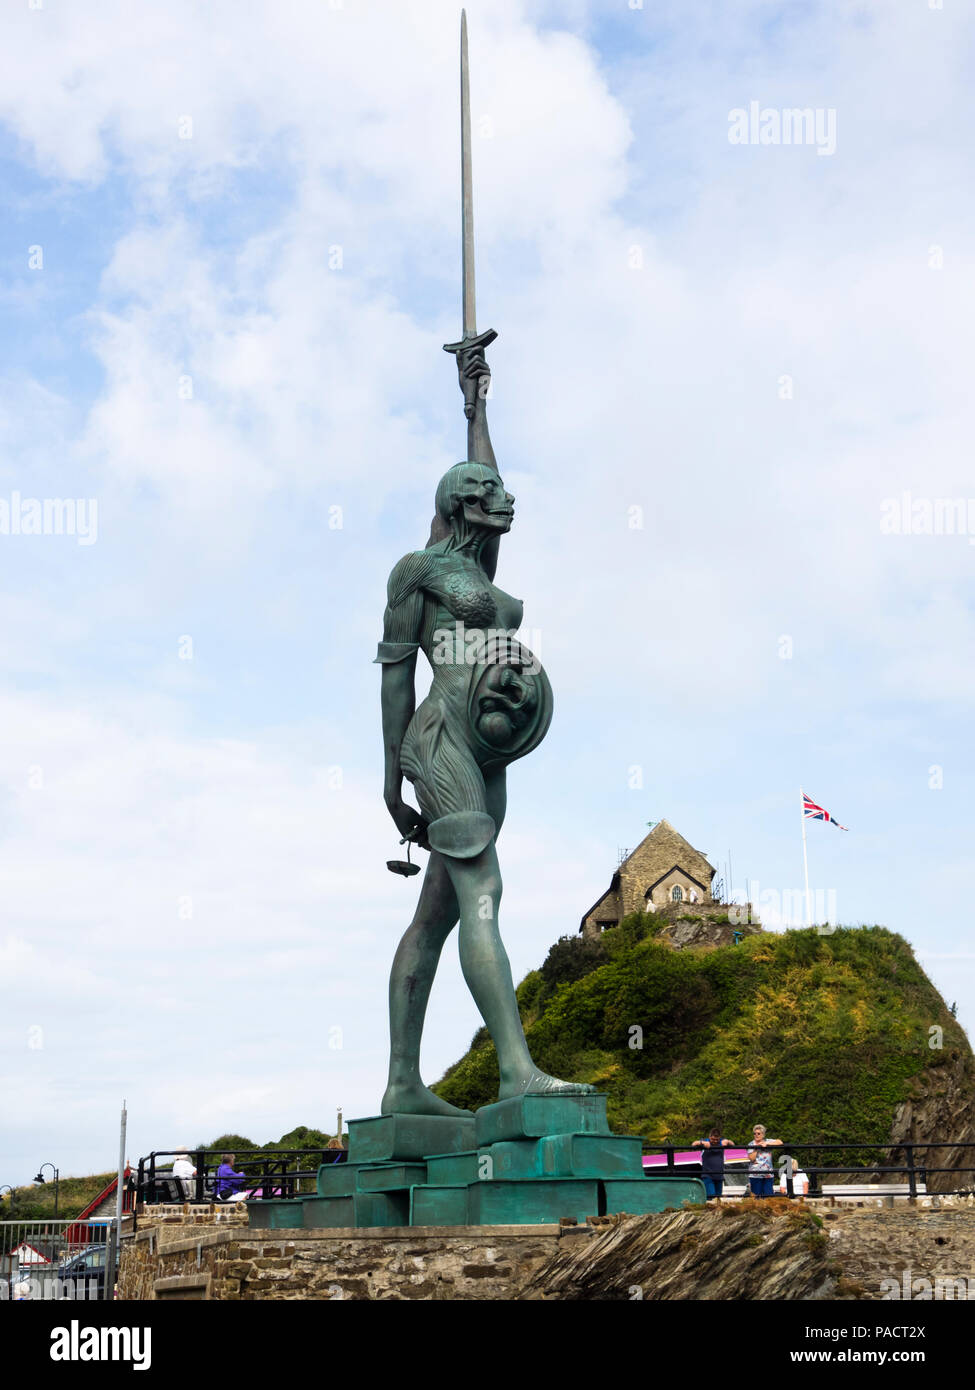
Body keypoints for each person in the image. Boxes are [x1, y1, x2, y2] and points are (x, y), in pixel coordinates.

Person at [377, 341, 593, 1113]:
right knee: (483, 891)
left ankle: (404, 1087)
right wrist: (390, 774)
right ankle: (515, 1073)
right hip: (439, 743)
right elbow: (395, 672)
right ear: (454, 503)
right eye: (480, 491)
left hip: (487, 746)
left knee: (434, 913)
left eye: (494, 490)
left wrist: (477, 406)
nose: (498, 497)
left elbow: (488, 473)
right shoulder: (419, 571)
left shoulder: (480, 567)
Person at [690, 1127, 733, 1199]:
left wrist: (728, 1141)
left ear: (719, 1138)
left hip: (719, 1176)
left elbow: (733, 1144)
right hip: (708, 1175)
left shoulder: (722, 1142)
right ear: (709, 1137)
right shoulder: (705, 1141)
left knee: (718, 1198)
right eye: (713, 1139)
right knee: (711, 1196)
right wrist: (702, 1143)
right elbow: (693, 1144)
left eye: (717, 1139)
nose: (715, 1141)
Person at [747, 1124, 782, 1198]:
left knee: (769, 1198)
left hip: (768, 1174)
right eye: (754, 1133)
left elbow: (780, 1142)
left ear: (763, 1134)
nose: (756, 1135)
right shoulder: (751, 1144)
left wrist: (767, 1144)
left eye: (758, 1133)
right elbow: (751, 1158)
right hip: (755, 1175)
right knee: (756, 1199)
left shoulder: (768, 1141)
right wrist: (757, 1148)